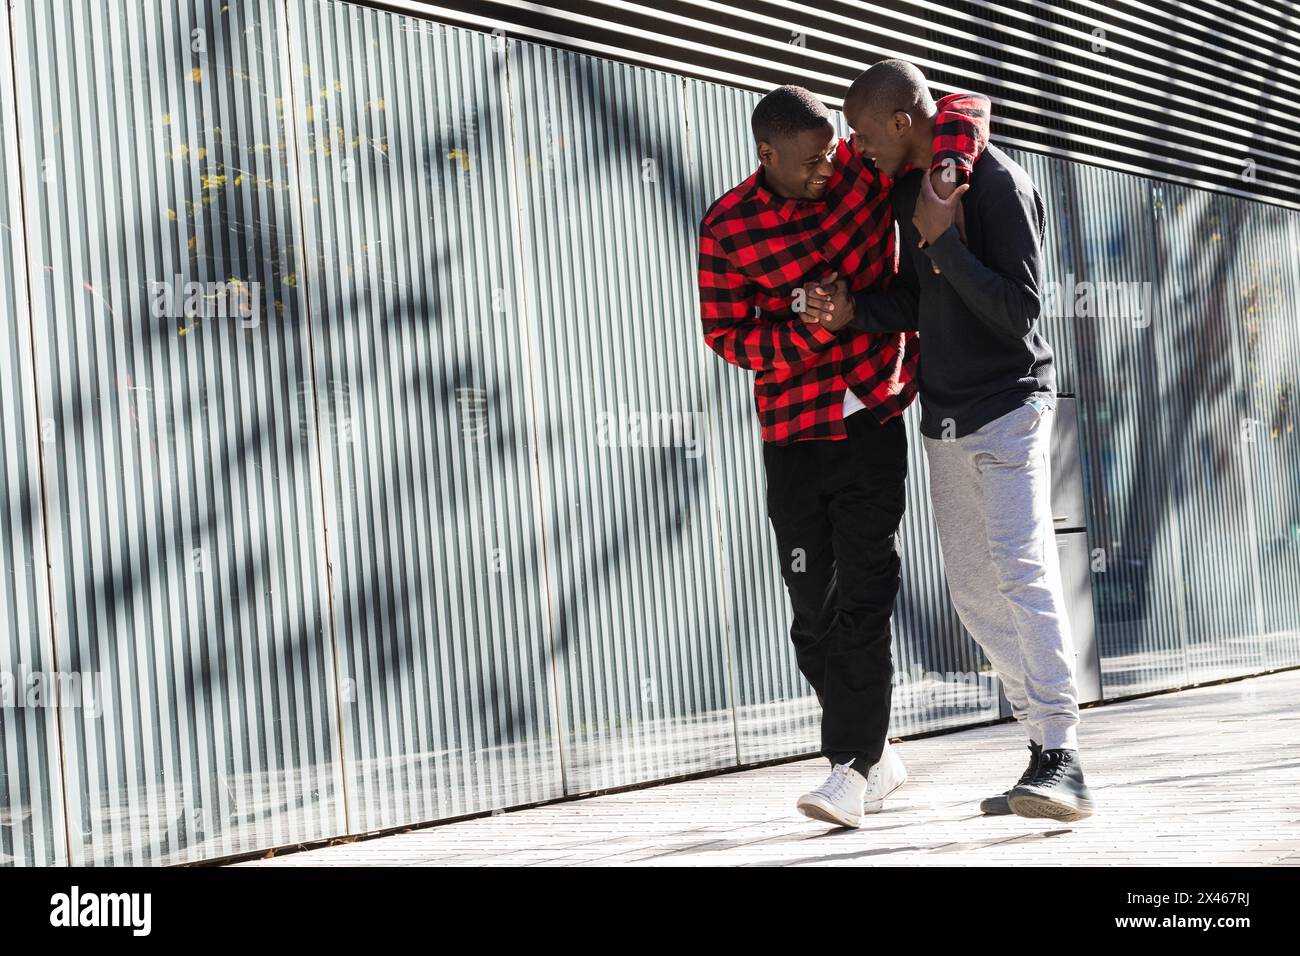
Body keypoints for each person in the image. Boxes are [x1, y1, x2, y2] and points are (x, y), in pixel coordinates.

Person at [800, 59, 1094, 821]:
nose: (859, 148)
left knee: (1022, 571)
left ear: (904, 121)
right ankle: (1039, 748)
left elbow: (1020, 310)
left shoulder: (995, 183)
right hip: (945, 418)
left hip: (1009, 409)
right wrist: (851, 312)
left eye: (864, 133)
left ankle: (1064, 753)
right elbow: (921, 300)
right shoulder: (911, 189)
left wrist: (945, 241)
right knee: (971, 591)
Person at [697, 83, 989, 827]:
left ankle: (849, 770)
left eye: (833, 154)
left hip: (871, 413)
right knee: (811, 612)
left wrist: (950, 166)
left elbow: (959, 104)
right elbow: (726, 334)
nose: (831, 171)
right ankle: (876, 749)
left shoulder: (860, 172)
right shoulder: (728, 226)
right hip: (792, 430)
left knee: (865, 594)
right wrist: (806, 330)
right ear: (766, 155)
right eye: (812, 164)